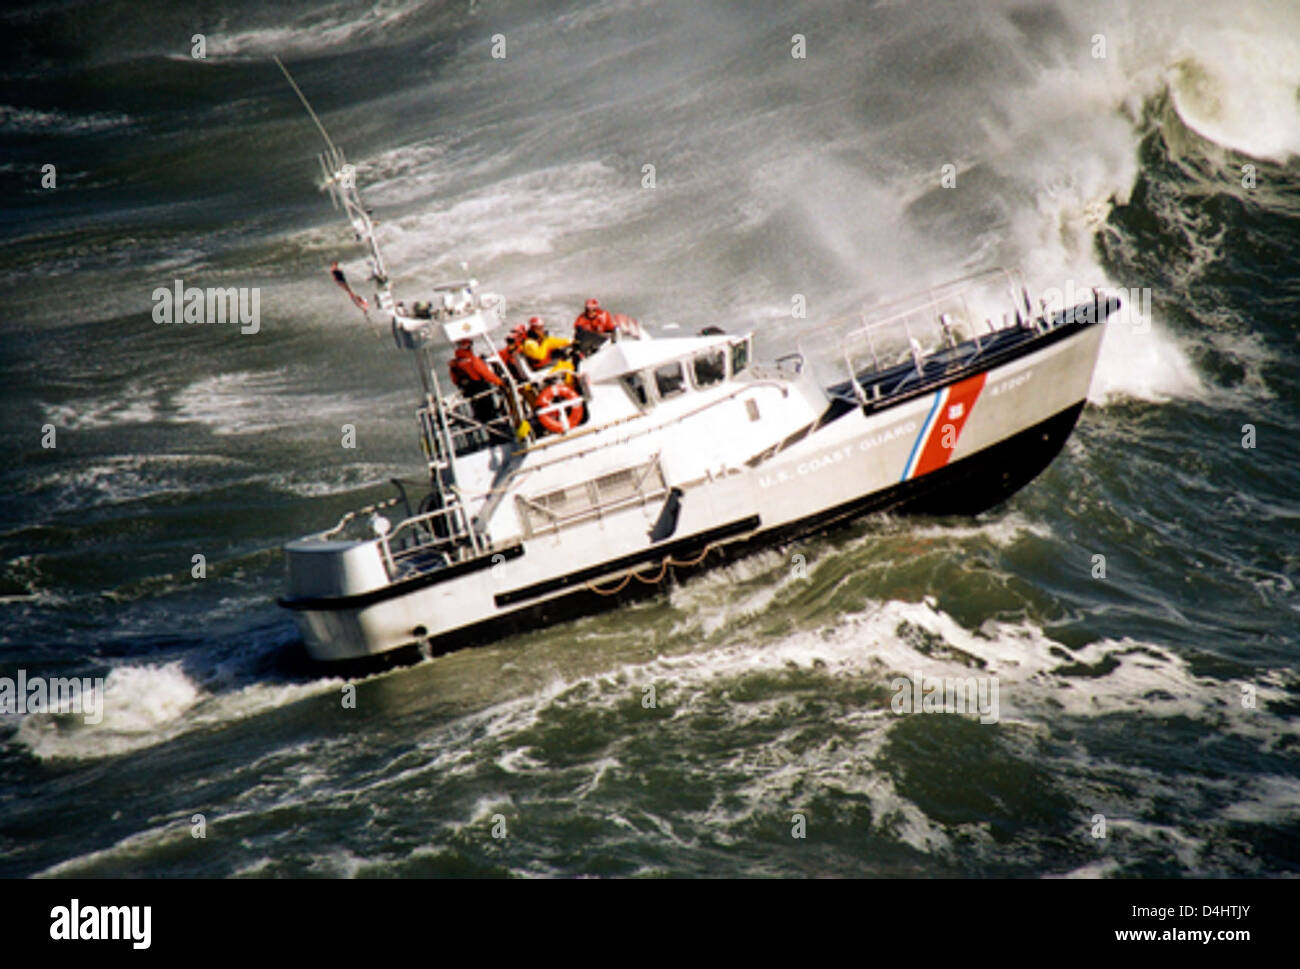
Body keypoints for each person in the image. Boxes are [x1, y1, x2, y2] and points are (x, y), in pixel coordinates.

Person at [448, 338, 504, 433]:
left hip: (470, 395)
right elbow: (486, 374)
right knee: (491, 415)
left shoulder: (455, 365)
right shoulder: (474, 360)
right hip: (483, 392)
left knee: (483, 417)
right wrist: (500, 382)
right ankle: (499, 433)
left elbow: (455, 380)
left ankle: (492, 435)